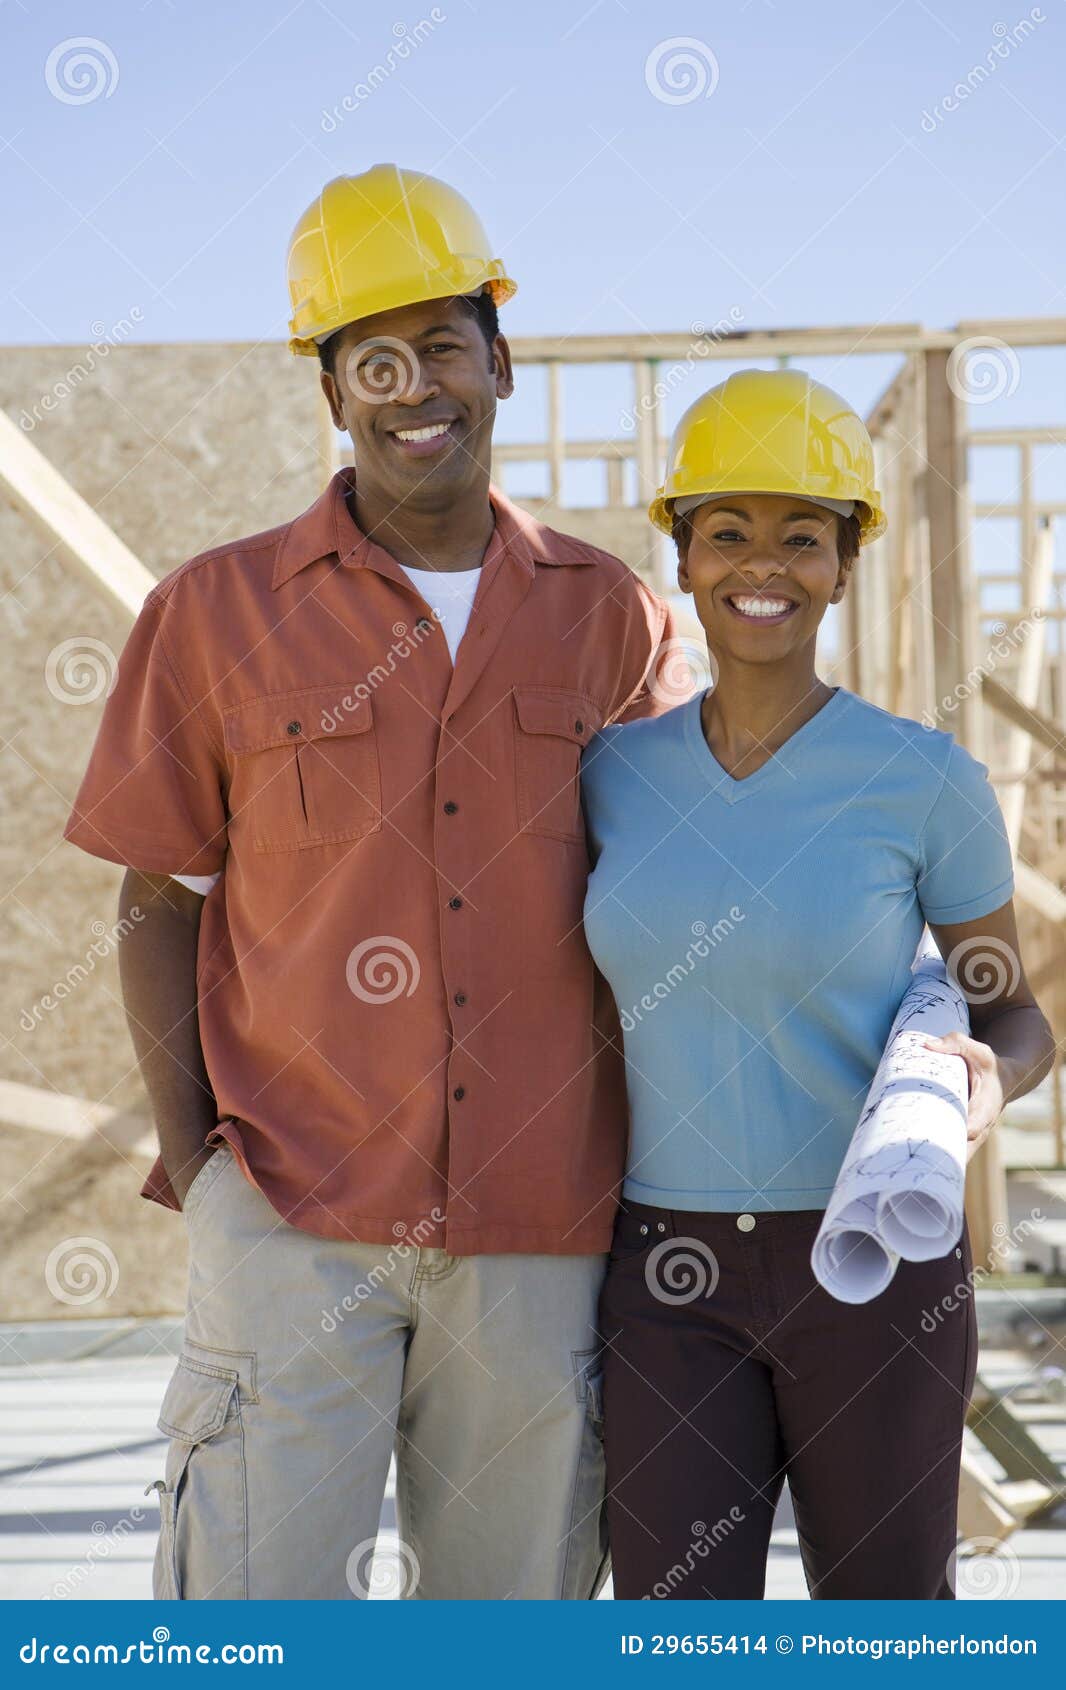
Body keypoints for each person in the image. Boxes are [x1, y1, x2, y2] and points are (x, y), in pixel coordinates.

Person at [63, 164, 684, 1600]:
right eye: (374, 359)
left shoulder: (615, 619)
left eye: (443, 346)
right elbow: (158, 898)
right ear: (332, 392)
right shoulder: (213, 613)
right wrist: (210, 1169)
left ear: (501, 359)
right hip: (292, 1208)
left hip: (539, 1230)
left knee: (505, 1623)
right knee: (261, 1625)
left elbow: (667, 909)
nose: (417, 388)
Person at [580, 368, 1054, 1600]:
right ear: (681, 557)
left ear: (843, 565)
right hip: (664, 1277)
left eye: (804, 537)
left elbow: (1008, 1004)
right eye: (727, 531)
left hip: (874, 1266)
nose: (765, 565)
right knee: (678, 1630)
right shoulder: (605, 780)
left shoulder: (919, 779)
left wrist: (993, 1074)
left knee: (888, 1624)